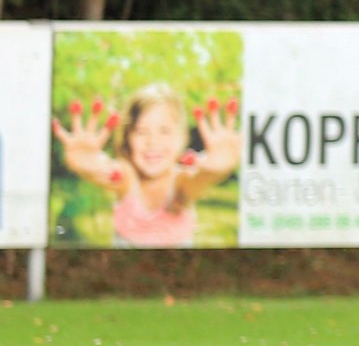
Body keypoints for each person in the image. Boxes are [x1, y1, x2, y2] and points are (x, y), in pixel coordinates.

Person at [51, 88, 240, 247]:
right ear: (128, 138)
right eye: (141, 132)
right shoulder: (126, 177)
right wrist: (85, 162)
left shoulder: (182, 183)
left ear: (182, 138)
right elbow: (104, 171)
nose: (152, 142)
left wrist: (219, 167)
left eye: (164, 131)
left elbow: (201, 178)